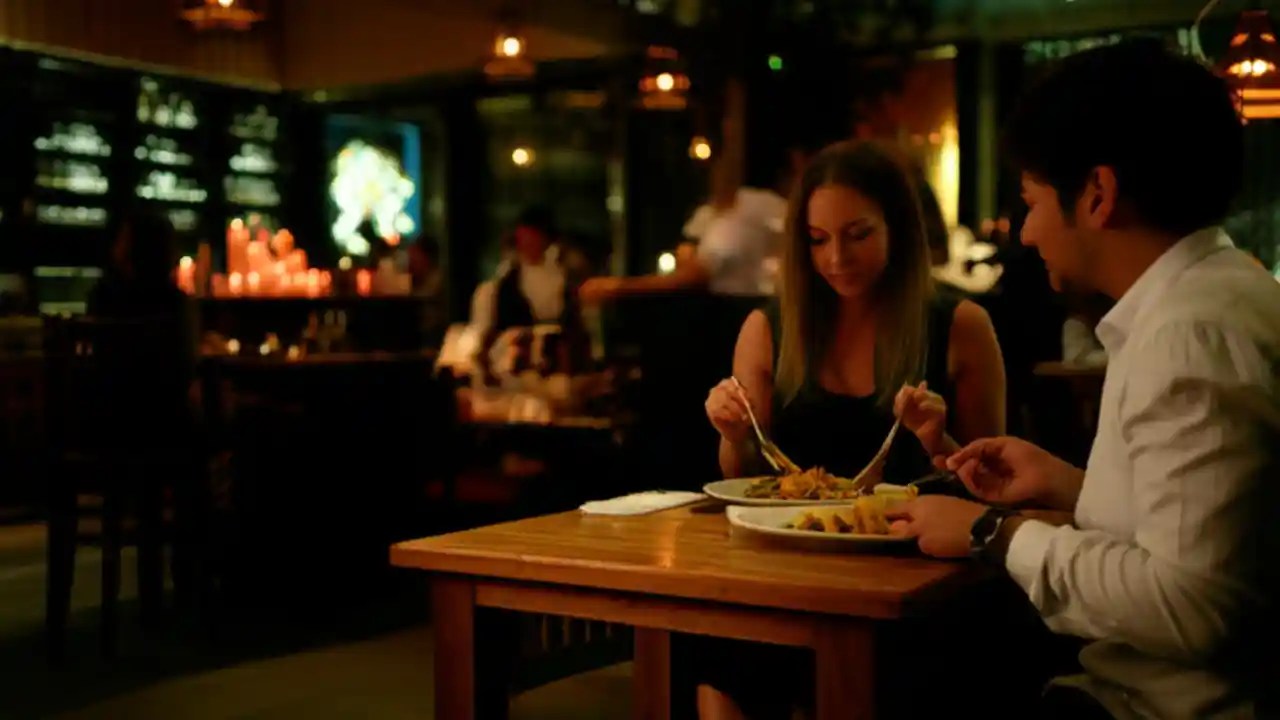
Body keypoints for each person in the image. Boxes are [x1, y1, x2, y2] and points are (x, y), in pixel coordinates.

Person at [886, 41, 1280, 719]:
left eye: (1032, 201)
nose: (1028, 232)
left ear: (1097, 195)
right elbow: (1209, 529)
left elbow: (1194, 606)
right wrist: (1073, 485)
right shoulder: (1222, 292)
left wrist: (991, 533)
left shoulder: (1186, 336)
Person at [695, 140, 1006, 719]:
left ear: (898, 228)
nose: (836, 257)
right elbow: (743, 479)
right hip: (792, 573)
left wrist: (939, 443)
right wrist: (733, 434)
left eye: (858, 234)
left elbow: (997, 488)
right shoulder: (769, 329)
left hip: (919, 583)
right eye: (817, 240)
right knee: (720, 660)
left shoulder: (960, 326)